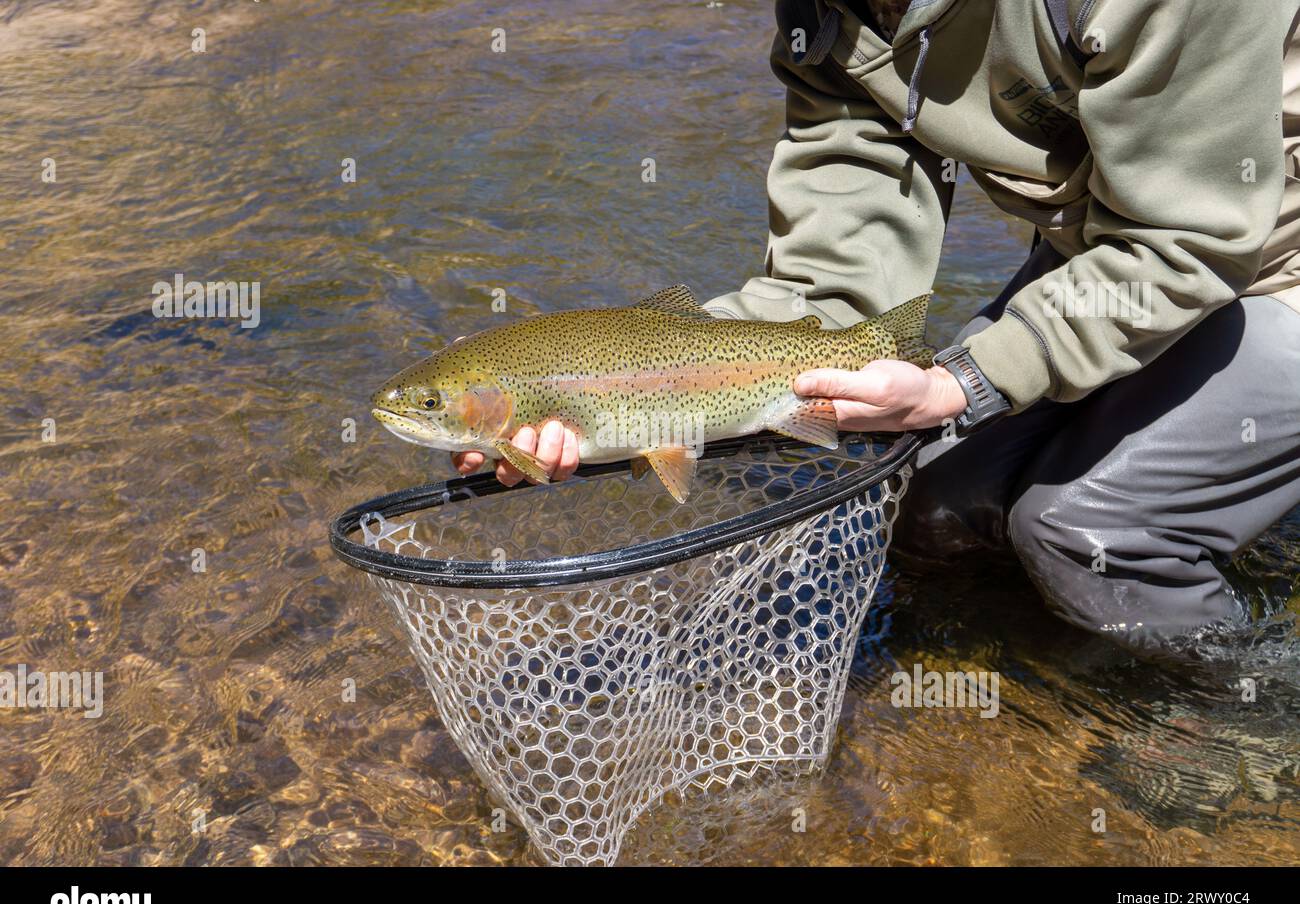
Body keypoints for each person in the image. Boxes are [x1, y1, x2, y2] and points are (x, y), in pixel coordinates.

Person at [454, 0, 1300, 659]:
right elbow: (839, 265)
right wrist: (631, 392)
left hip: (1252, 249)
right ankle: (1037, 683)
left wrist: (966, 381)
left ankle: (1239, 731)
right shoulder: (831, 12)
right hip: (1118, 248)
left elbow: (1186, 237)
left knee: (1086, 535)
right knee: (932, 502)